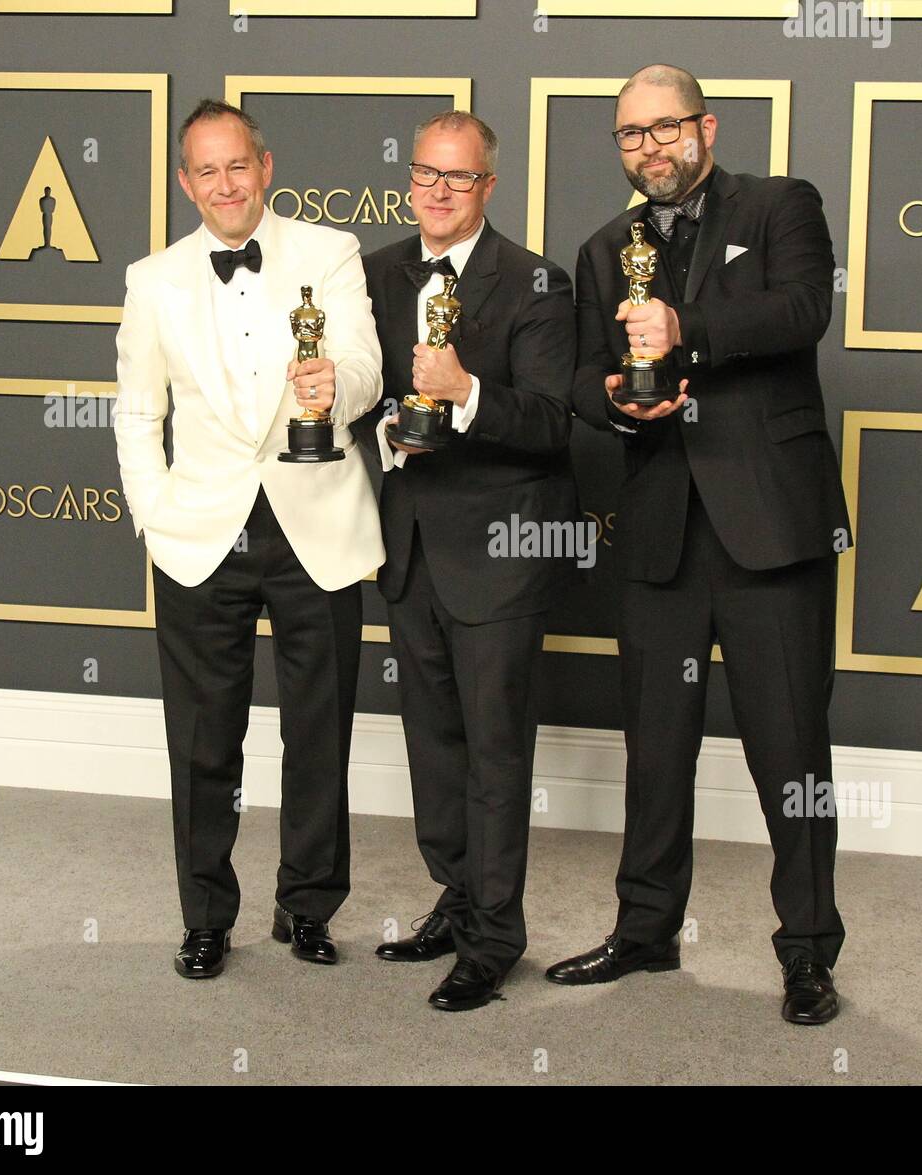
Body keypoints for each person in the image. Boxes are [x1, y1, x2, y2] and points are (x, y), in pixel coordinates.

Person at [547, 65, 852, 1025]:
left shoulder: (780, 205)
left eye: (664, 128)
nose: (650, 149)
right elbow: (592, 375)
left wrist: (689, 332)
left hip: (770, 529)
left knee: (791, 756)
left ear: (705, 126)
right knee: (655, 749)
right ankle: (645, 932)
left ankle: (807, 952)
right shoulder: (605, 249)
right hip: (660, 534)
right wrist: (617, 400)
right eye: (630, 136)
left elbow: (805, 310)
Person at [114, 98, 384, 979]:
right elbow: (138, 411)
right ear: (185, 181)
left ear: (265, 168)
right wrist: (154, 511)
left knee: (318, 731)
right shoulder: (152, 278)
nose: (225, 184)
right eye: (206, 170)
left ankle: (307, 907)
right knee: (202, 740)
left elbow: (369, 371)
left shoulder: (330, 251)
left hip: (317, 522)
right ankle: (204, 915)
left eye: (239, 165)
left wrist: (331, 387)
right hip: (199, 532)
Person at [353, 110, 579, 1012]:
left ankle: (496, 935)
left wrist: (467, 393)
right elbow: (361, 390)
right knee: (434, 744)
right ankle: (457, 894)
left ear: (488, 187)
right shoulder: (374, 273)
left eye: (458, 178)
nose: (438, 192)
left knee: (493, 749)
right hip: (410, 542)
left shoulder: (536, 282)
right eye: (425, 176)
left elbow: (554, 423)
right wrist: (379, 426)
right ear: (410, 179)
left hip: (501, 550)